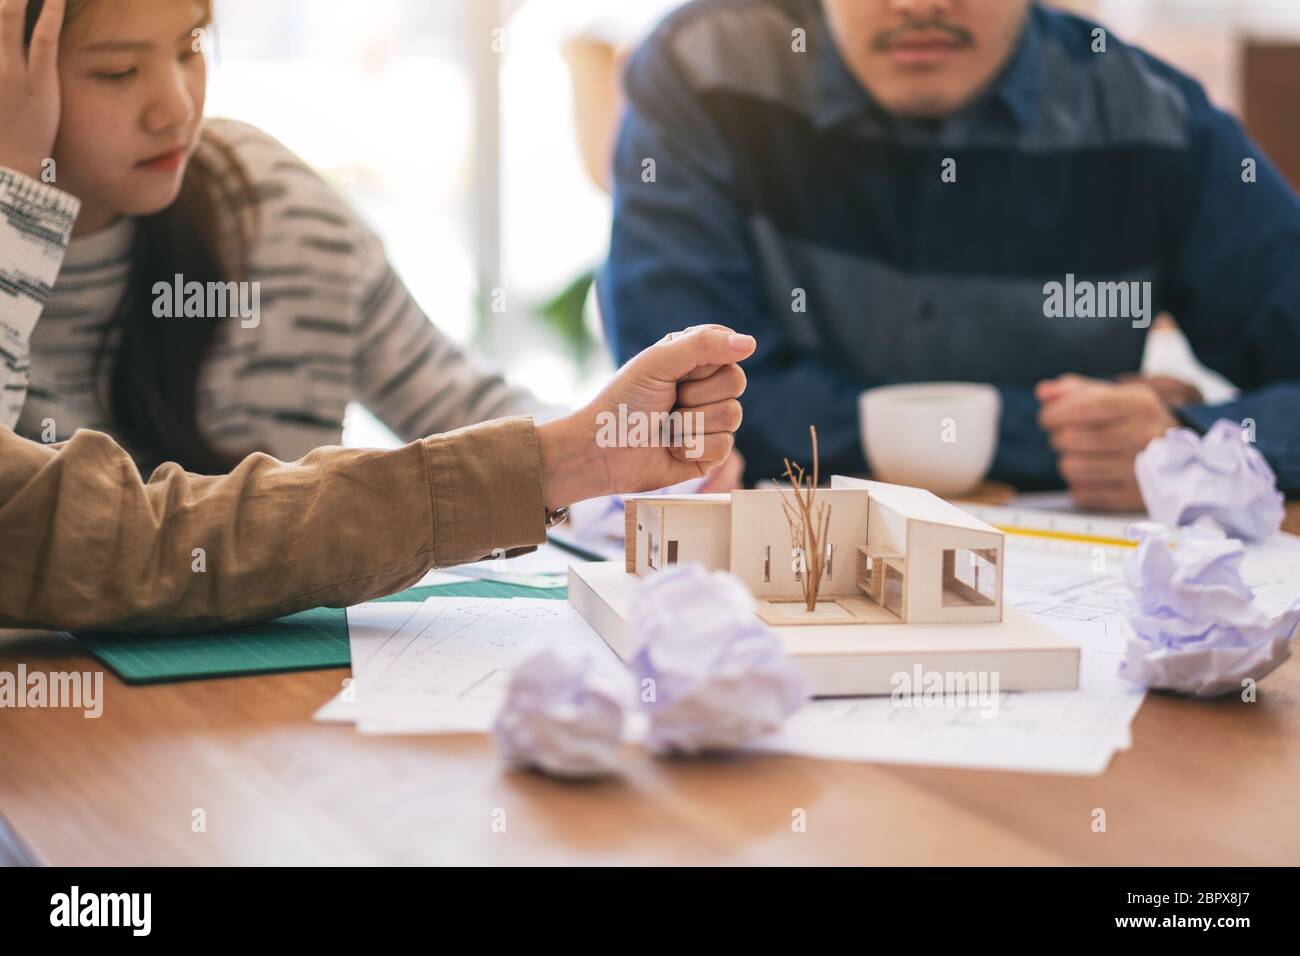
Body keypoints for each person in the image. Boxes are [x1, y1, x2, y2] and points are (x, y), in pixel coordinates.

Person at [601, 0, 1300, 510]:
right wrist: (1066, 436)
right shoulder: (705, 73)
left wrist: (1195, 439)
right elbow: (685, 402)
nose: (919, 5)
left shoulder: (1155, 118)